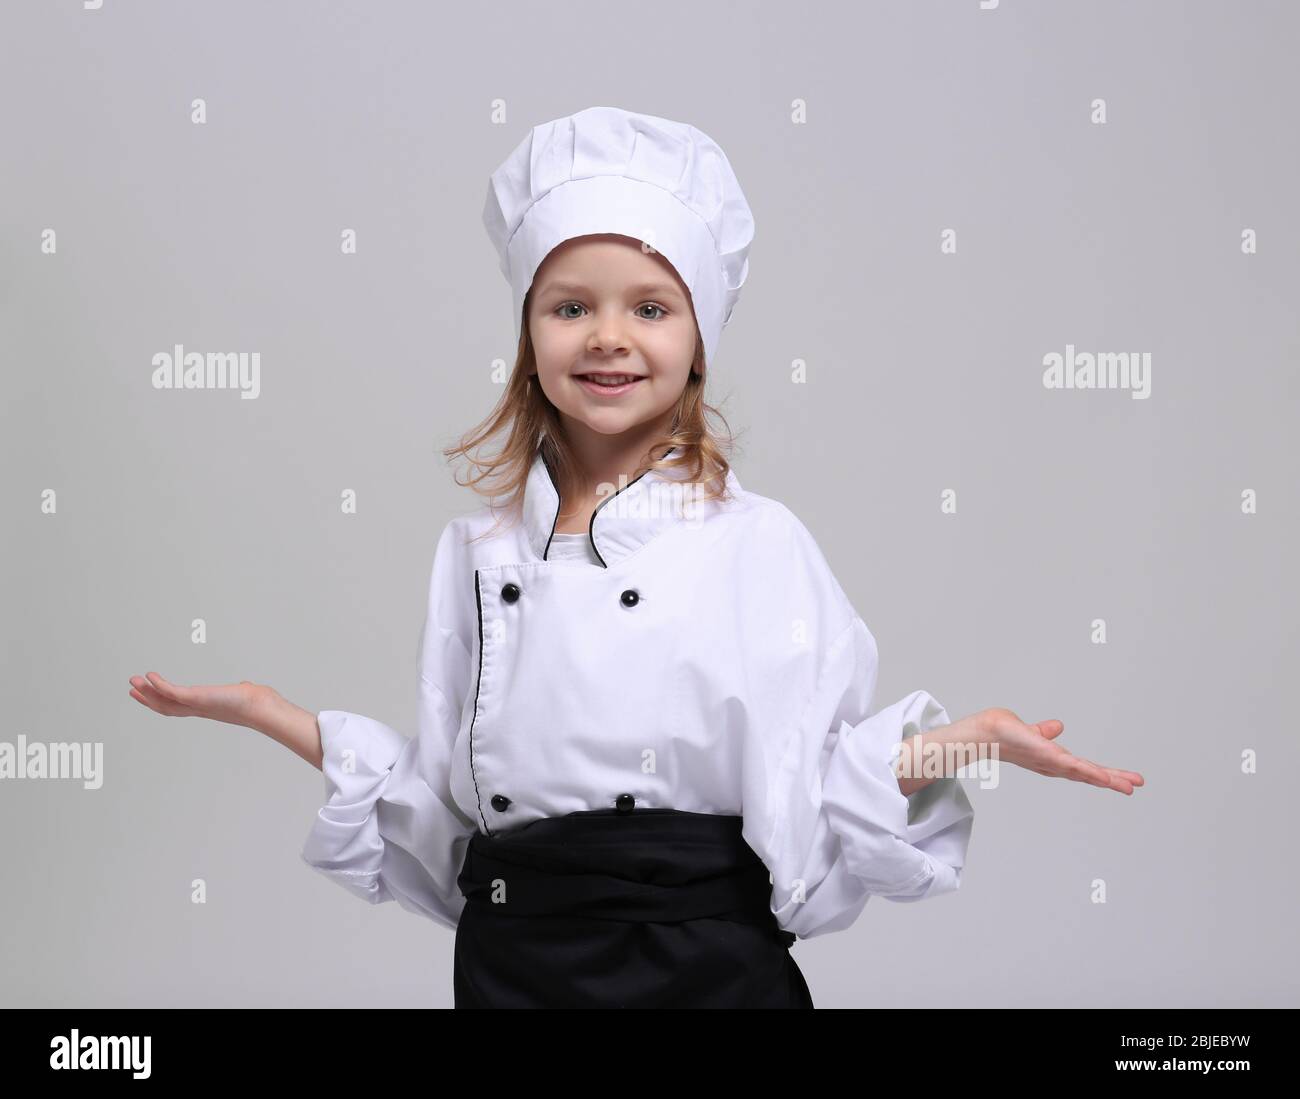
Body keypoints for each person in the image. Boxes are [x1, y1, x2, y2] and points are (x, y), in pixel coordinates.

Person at [128, 106, 1144, 1009]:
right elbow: (447, 815)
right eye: (570, 306)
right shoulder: (472, 552)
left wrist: (967, 740)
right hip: (514, 961)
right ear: (527, 334)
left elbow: (816, 785)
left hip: (705, 961)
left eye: (650, 307)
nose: (608, 337)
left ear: (699, 339)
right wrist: (277, 716)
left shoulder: (758, 544)